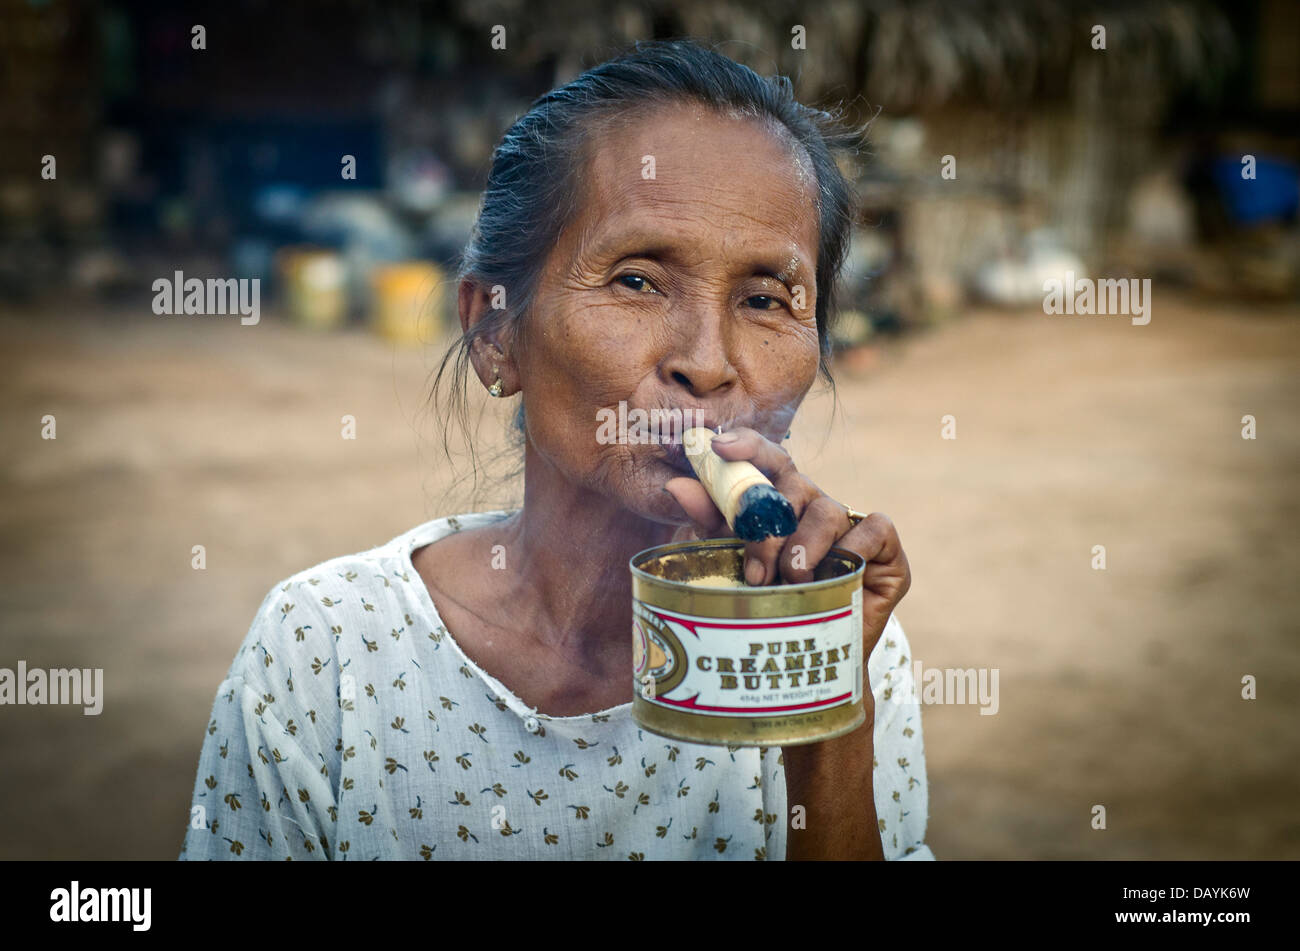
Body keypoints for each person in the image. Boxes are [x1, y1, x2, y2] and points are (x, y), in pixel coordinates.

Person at [180, 38, 934, 861]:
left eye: (763, 299)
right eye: (638, 280)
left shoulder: (834, 633)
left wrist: (819, 708)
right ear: (495, 330)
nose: (709, 363)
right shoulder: (325, 653)